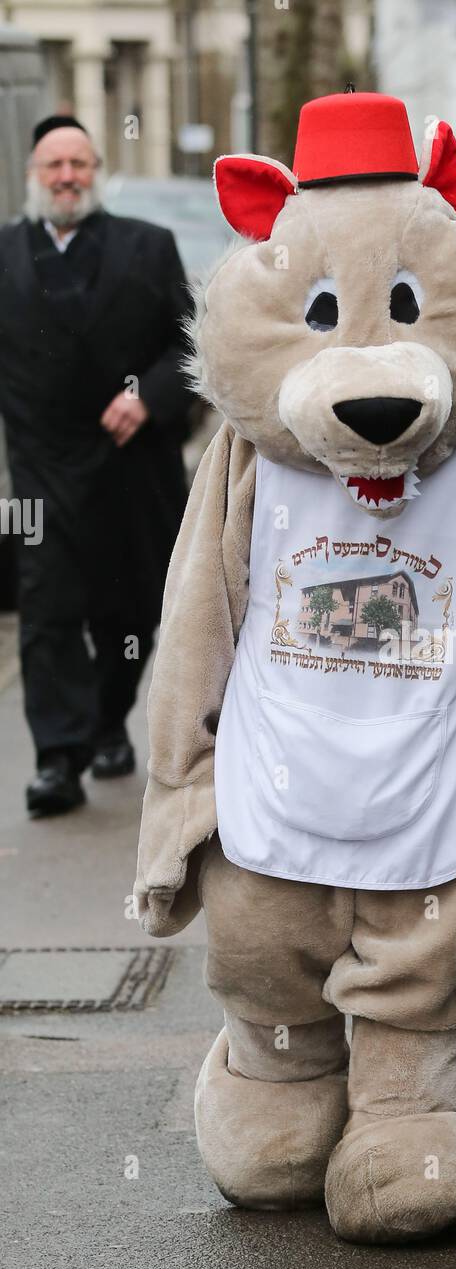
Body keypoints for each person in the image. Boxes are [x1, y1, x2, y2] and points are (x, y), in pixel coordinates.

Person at [0, 114, 193, 817]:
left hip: (131, 466)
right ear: (32, 176)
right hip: (39, 470)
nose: (66, 177)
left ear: (97, 171)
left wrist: (147, 398)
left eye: (79, 163)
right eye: (53, 165)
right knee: (47, 611)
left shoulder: (148, 248)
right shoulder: (4, 255)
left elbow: (189, 349)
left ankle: (109, 720)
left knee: (134, 609)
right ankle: (58, 758)